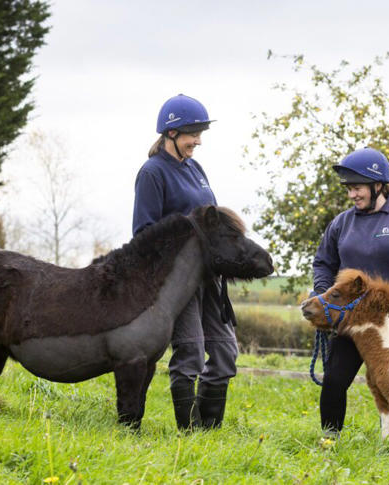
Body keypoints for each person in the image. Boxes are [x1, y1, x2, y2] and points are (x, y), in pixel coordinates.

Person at [133, 94, 237, 430]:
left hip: (211, 276)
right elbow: (144, 234)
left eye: (200, 133)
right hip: (179, 282)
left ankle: (210, 431)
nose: (198, 141)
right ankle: (188, 434)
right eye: (193, 133)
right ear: (171, 133)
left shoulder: (195, 168)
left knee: (224, 354)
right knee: (190, 354)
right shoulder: (152, 173)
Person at [311, 147, 389, 436]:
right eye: (349, 190)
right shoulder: (342, 223)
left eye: (357, 188)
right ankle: (330, 439)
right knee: (335, 380)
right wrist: (325, 297)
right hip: (351, 322)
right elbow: (323, 263)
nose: (352, 195)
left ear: (378, 186)